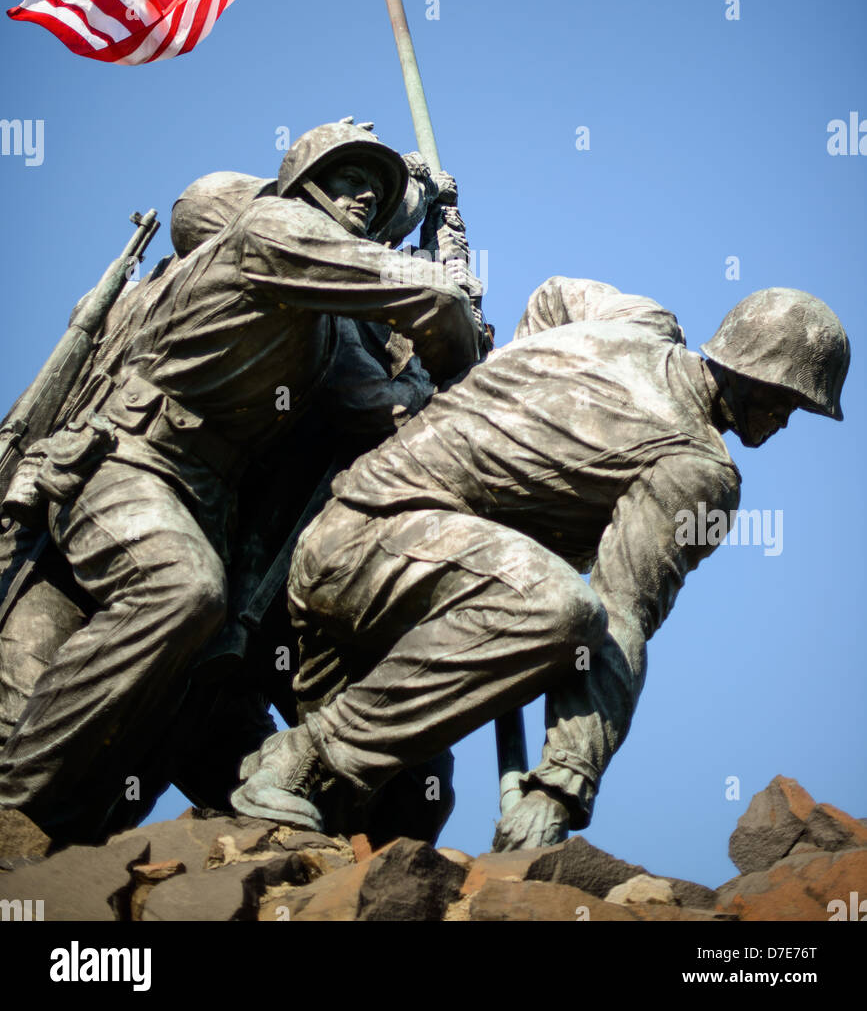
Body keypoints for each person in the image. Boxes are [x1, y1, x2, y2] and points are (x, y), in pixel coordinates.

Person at [231, 281, 850, 851]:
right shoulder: (697, 469)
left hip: (360, 576)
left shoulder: (637, 322)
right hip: (375, 551)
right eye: (784, 398)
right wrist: (562, 785)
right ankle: (305, 755)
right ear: (745, 368)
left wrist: (508, 409)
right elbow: (619, 617)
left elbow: (554, 296)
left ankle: (295, 799)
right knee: (558, 608)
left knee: (405, 808)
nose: (786, 418)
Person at [0, 120, 479, 845]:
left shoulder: (323, 321)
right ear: (304, 184)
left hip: (210, 501)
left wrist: (448, 383)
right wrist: (455, 338)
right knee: (179, 591)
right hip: (131, 461)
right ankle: (17, 804)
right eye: (348, 177)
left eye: (376, 191)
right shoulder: (274, 226)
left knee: (193, 694)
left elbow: (373, 408)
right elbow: (429, 300)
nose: (362, 197)